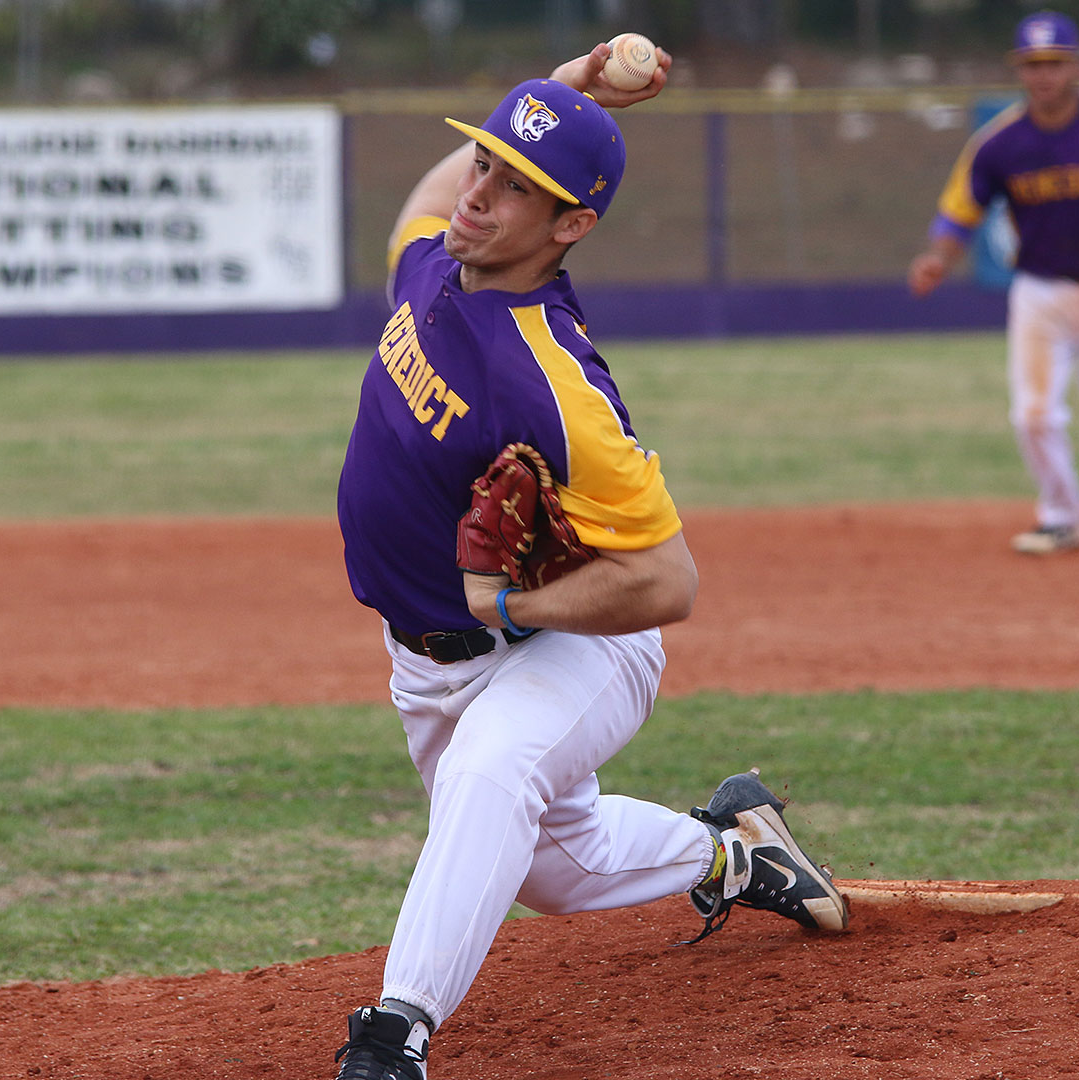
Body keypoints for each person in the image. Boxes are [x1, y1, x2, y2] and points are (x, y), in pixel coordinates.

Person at [329, 43, 849, 1080]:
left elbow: (669, 581)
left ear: (571, 225)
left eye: (516, 187)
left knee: (490, 771)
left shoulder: (554, 385)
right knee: (556, 870)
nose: (478, 195)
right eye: (484, 164)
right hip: (428, 660)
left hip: (574, 646)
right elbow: (425, 206)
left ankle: (394, 1035)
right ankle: (734, 851)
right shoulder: (436, 265)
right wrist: (559, 91)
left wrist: (515, 608)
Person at [908, 9, 1079, 555]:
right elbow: (960, 210)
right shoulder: (999, 143)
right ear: (1018, 69)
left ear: (1076, 66)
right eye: (1033, 64)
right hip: (1041, 290)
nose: (1044, 74)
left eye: (1055, 62)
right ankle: (1061, 516)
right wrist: (938, 257)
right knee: (1033, 414)